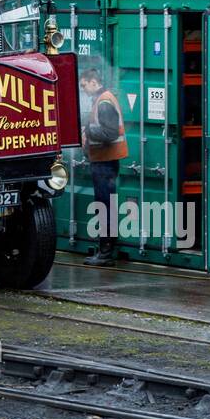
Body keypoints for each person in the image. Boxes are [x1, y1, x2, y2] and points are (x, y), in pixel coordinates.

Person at [80, 62, 128, 266]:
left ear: (93, 82)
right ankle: (106, 249)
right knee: (106, 206)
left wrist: (87, 131)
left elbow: (109, 133)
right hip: (103, 162)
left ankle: (106, 252)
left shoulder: (104, 102)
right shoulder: (101, 100)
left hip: (105, 163)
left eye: (84, 85)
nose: (83, 89)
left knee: (105, 207)